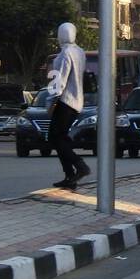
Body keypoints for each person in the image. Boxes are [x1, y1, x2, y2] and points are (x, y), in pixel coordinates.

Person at [47, 22, 90, 189]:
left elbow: (60, 80)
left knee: (55, 137)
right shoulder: (79, 52)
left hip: (65, 101)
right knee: (61, 138)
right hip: (77, 101)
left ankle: (79, 167)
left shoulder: (65, 54)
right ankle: (70, 176)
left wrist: (50, 102)